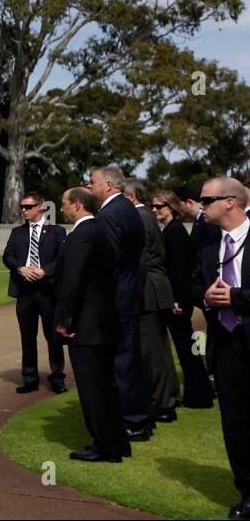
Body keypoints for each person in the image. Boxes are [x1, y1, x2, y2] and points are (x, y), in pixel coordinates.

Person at [55, 187, 129, 463]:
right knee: (107, 387)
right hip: (102, 323)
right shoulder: (99, 231)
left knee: (92, 389)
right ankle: (118, 442)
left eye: (63, 203)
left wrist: (64, 320)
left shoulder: (82, 235)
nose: (60, 208)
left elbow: (72, 282)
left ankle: (105, 446)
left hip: (87, 327)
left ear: (76, 205)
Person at [192, 177, 250, 519]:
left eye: (206, 199)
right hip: (226, 345)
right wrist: (205, 297)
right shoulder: (207, 245)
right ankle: (247, 493)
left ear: (229, 201)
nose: (201, 205)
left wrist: (236, 298)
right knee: (236, 423)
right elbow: (193, 284)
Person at [88, 166, 152, 440]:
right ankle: (138, 417)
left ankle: (132, 422)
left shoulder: (111, 213)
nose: (89, 187)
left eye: (92, 182)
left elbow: (109, 262)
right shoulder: (128, 210)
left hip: (118, 299)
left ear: (109, 186)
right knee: (130, 360)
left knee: (123, 362)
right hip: (128, 294)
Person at [151, 189, 215, 409]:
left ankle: (199, 396)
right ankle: (199, 394)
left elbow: (179, 271)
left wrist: (176, 301)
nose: (155, 210)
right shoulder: (171, 230)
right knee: (187, 349)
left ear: (171, 207)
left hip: (178, 300)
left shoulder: (175, 231)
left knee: (187, 350)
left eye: (159, 206)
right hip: (178, 298)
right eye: (154, 206)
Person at [123, 179, 180, 423]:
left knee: (151, 351)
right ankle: (168, 398)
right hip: (155, 288)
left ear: (132, 196)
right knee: (158, 348)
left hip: (149, 290)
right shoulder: (146, 216)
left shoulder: (140, 217)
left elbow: (142, 261)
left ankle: (163, 405)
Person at [1, 191, 67, 394]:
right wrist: (20, 268)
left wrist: (44, 271)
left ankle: (57, 378)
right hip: (25, 293)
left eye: (28, 207)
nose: (24, 210)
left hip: (48, 292)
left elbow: (62, 259)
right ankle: (29, 378)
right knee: (27, 338)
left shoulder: (57, 231)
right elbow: (7, 256)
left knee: (53, 337)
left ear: (40, 207)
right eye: (22, 207)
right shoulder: (17, 232)